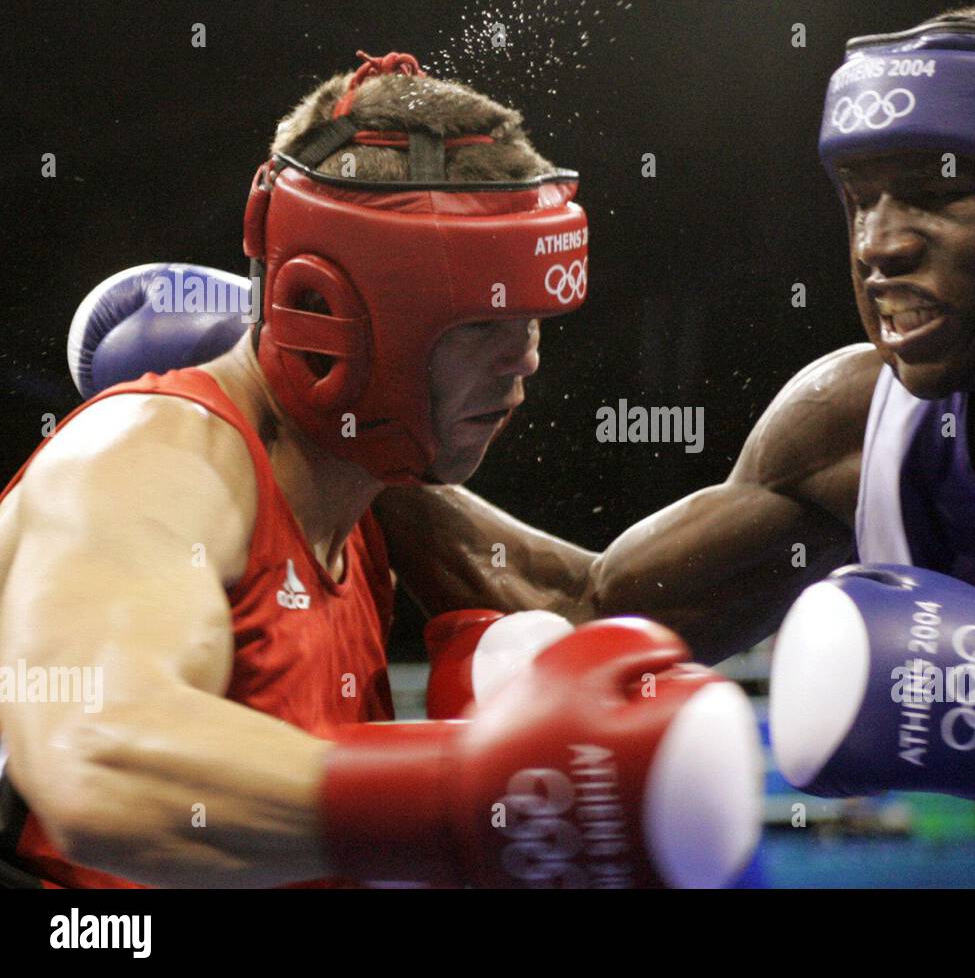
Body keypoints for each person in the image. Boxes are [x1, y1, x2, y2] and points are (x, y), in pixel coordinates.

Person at [61, 0, 975, 888]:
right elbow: (597, 602)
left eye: (938, 185)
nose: (878, 242)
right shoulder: (854, 423)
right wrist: (303, 384)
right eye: (860, 195)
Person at [0, 50, 760, 889]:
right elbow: (97, 761)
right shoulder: (148, 459)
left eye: (537, 320)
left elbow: (590, 600)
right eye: (481, 324)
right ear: (331, 307)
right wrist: (465, 790)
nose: (525, 362)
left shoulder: (366, 499)